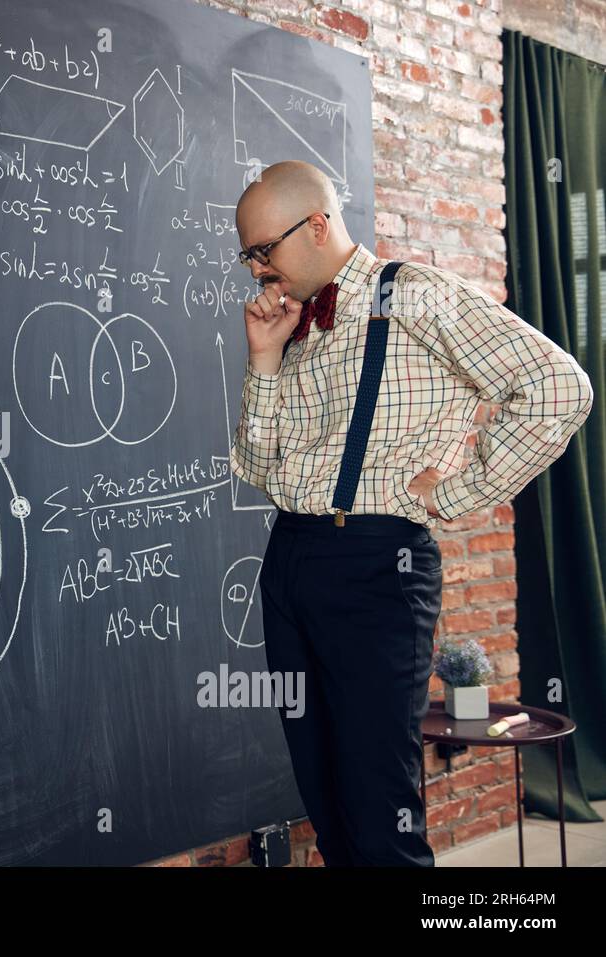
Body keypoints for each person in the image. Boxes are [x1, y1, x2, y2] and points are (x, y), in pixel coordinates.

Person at [229, 159, 594, 866]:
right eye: (247, 255)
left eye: (262, 251)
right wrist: (264, 359)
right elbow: (256, 467)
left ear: (316, 226)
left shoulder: (416, 296)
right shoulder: (295, 319)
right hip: (292, 562)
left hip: (376, 569)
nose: (256, 272)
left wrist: (455, 493)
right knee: (325, 794)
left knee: (378, 809)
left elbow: (557, 387)